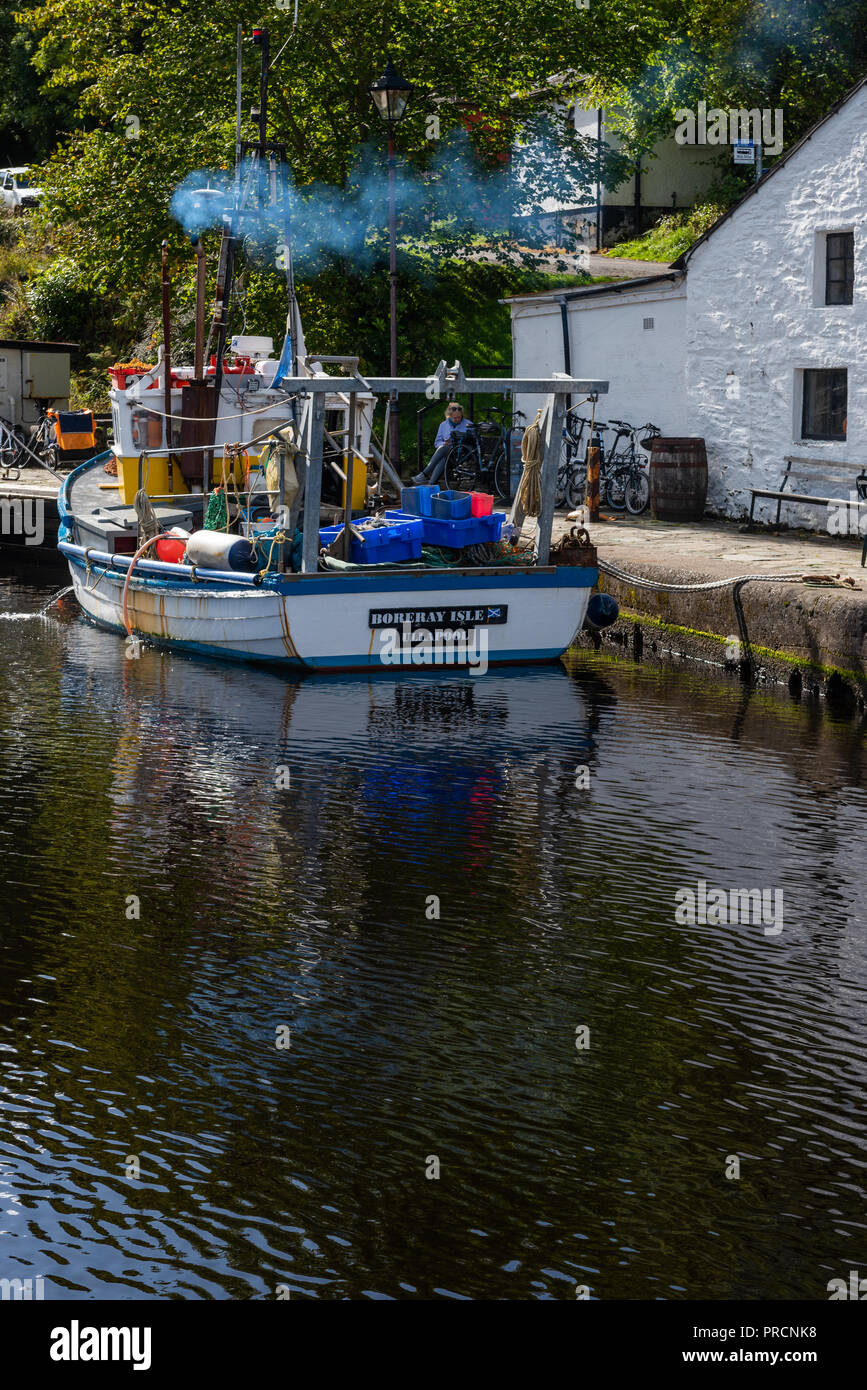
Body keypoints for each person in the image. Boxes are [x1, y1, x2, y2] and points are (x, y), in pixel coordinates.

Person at [410, 402, 473, 486]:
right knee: (443, 456)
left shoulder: (468, 424)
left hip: (461, 453)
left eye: (459, 417)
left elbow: (473, 441)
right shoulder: (443, 425)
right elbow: (437, 443)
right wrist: (444, 443)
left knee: (443, 450)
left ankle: (424, 474)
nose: (457, 419)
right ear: (449, 416)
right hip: (448, 453)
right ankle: (431, 484)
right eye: (455, 418)